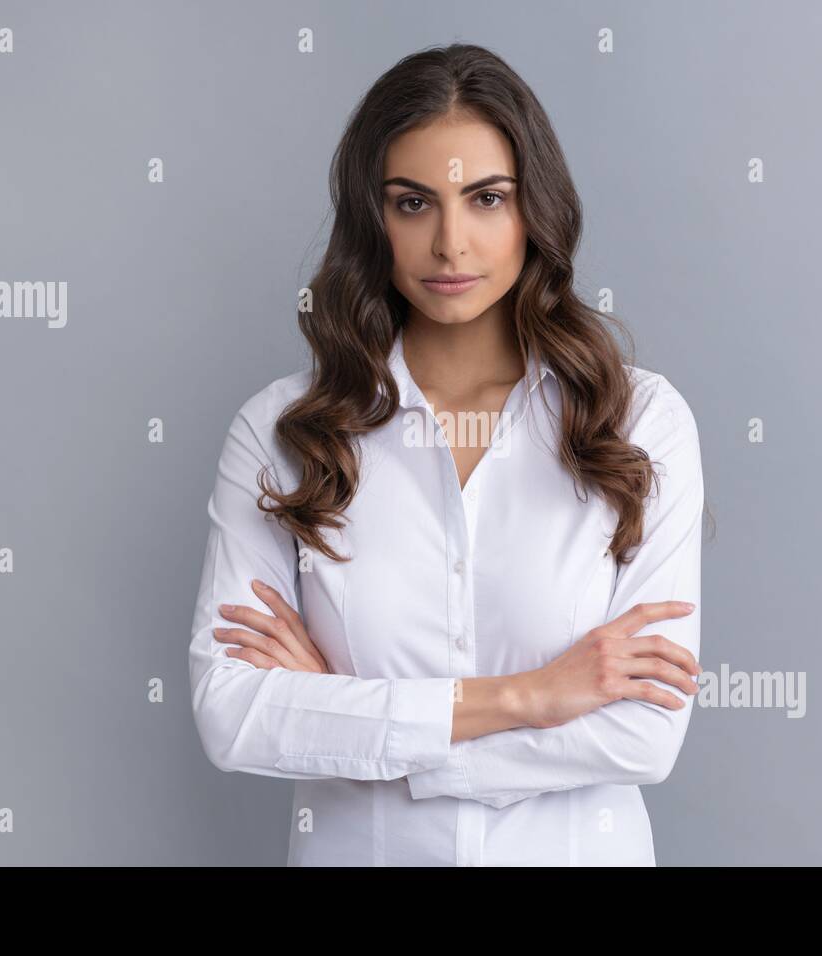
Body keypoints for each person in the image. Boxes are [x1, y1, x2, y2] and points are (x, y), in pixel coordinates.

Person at [188, 43, 707, 866]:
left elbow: (642, 738)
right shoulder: (281, 433)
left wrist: (348, 718)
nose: (451, 244)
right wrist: (528, 698)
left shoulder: (639, 422)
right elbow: (235, 716)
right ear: (373, 217)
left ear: (534, 208)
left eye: (487, 198)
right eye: (413, 202)